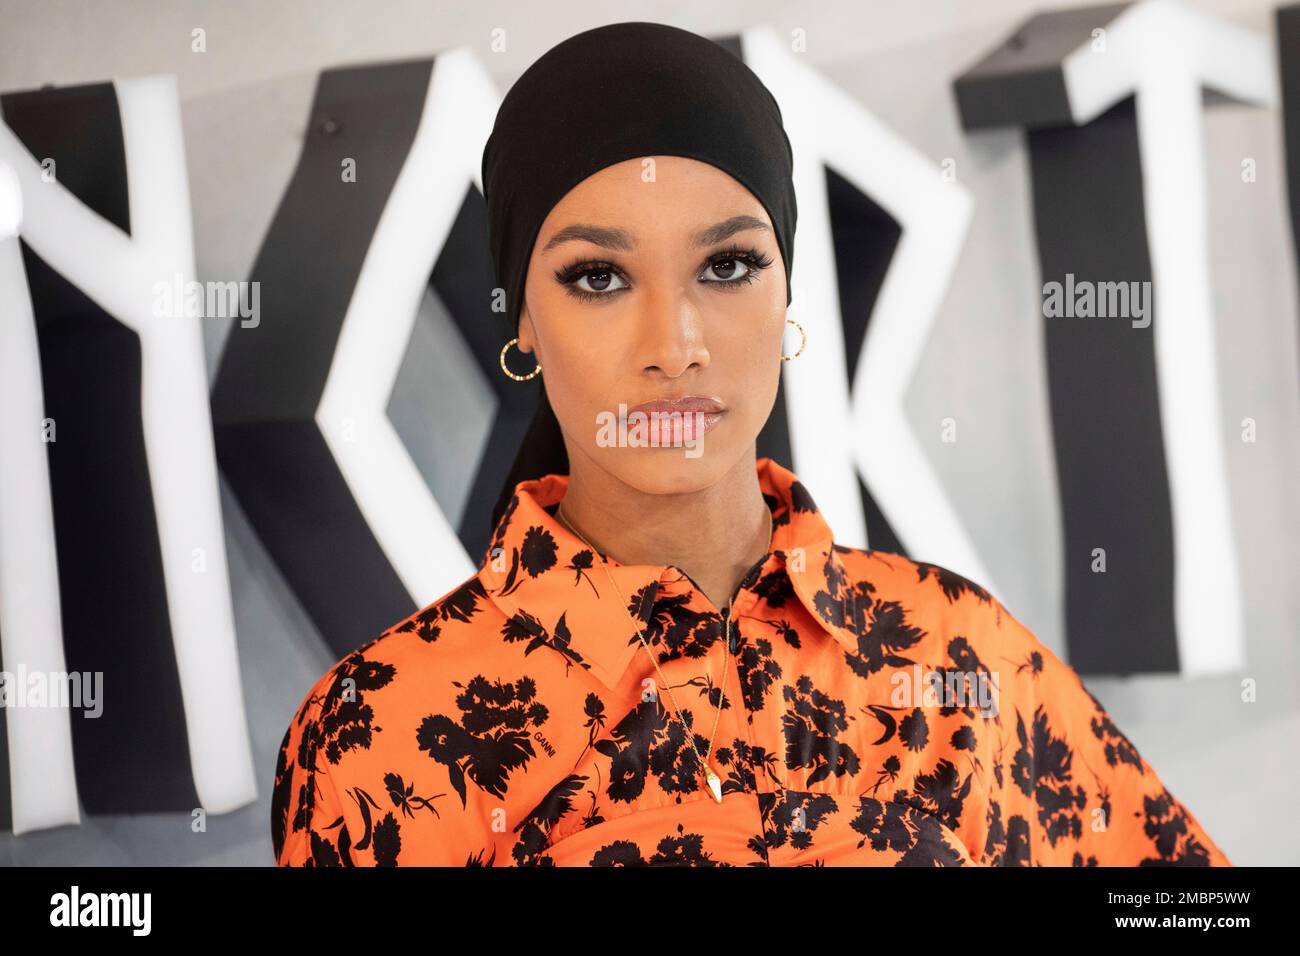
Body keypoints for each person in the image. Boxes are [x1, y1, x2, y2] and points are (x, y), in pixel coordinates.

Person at [271, 21, 1229, 867]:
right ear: (522, 321)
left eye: (727, 265)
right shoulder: (379, 734)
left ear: (785, 298)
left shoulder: (955, 650)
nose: (674, 347)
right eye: (598, 277)